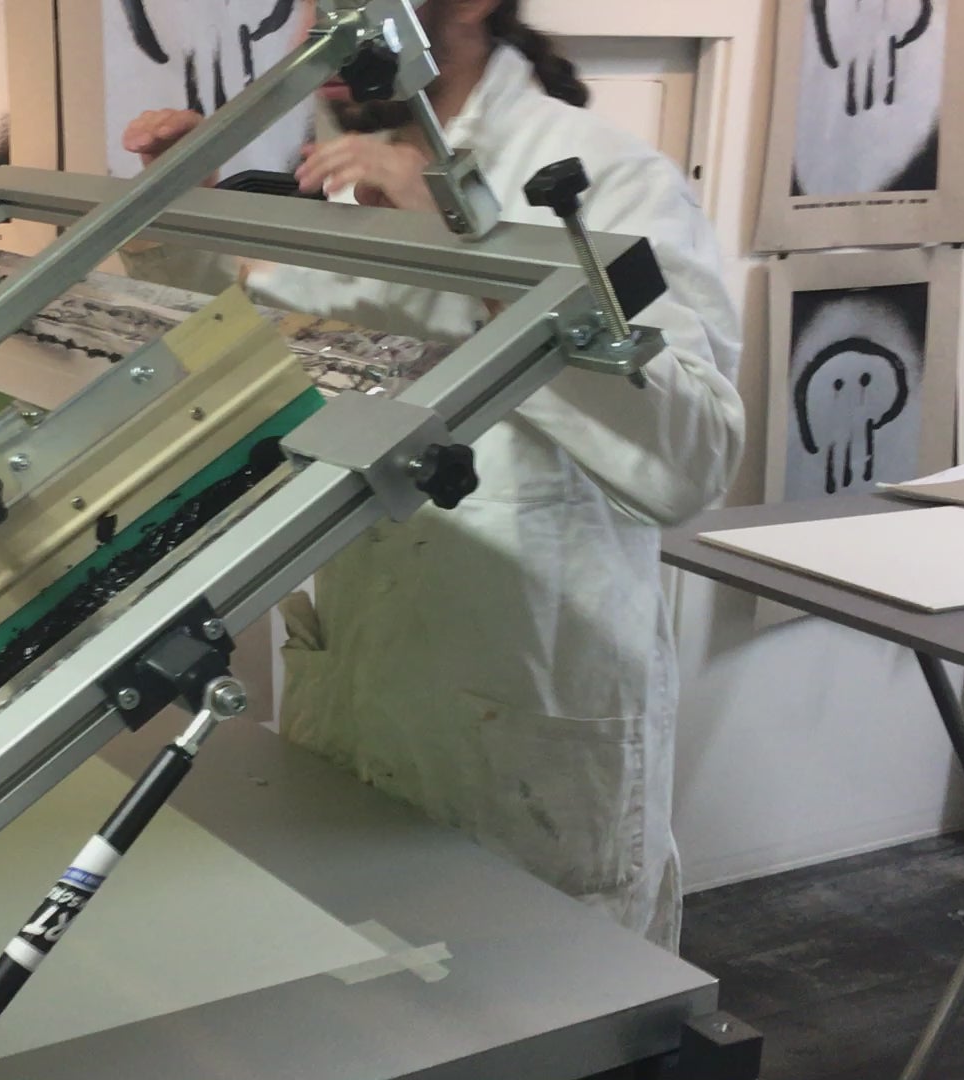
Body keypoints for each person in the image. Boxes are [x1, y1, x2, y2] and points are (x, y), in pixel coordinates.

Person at [121, 0, 744, 948]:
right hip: (360, 705)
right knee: (367, 990)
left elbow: (691, 457)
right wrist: (182, 219)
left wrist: (473, 251)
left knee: (549, 998)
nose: (321, 28)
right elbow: (265, 357)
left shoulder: (609, 175)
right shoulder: (337, 182)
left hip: (533, 720)